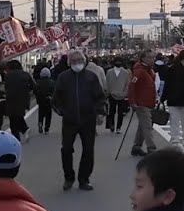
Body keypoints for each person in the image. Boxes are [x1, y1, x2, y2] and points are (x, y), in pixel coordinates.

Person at [53, 50, 106, 191]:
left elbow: (100, 97)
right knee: (66, 149)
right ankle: (68, 177)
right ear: (69, 63)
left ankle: (84, 179)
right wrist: (62, 112)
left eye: (79, 60)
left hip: (88, 120)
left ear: (84, 61)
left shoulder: (91, 77)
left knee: (88, 150)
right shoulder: (63, 78)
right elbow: (56, 99)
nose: (77, 63)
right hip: (69, 121)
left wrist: (100, 112)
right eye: (74, 61)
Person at [128, 50, 159, 157]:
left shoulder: (149, 70)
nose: (152, 59)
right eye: (150, 57)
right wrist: (132, 101)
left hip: (149, 102)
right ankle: (151, 148)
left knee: (142, 126)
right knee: (147, 126)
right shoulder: (139, 71)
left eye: (153, 57)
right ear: (143, 58)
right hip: (141, 103)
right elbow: (132, 87)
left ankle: (136, 147)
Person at [163, 50, 184, 150]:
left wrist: (163, 97)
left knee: (181, 121)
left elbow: (167, 85)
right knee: (182, 121)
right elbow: (168, 84)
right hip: (180, 99)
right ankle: (181, 140)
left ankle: (181, 140)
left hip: (178, 99)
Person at [3, 59, 35, 142]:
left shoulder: (8, 75)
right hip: (23, 99)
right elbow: (33, 85)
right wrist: (27, 91)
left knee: (13, 119)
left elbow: (6, 87)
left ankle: (18, 138)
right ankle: (24, 129)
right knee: (18, 116)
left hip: (11, 99)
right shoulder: (26, 74)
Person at [105, 57, 131, 133]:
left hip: (122, 95)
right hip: (112, 94)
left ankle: (119, 127)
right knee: (111, 111)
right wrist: (108, 92)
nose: (118, 63)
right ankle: (112, 125)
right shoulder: (109, 72)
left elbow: (127, 84)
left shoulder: (125, 72)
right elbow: (107, 82)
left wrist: (125, 93)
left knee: (120, 112)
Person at [34, 67, 55, 135]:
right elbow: (54, 91)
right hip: (48, 100)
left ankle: (40, 123)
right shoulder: (52, 82)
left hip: (41, 100)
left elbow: (35, 91)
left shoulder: (38, 82)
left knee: (41, 114)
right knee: (48, 115)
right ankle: (46, 128)